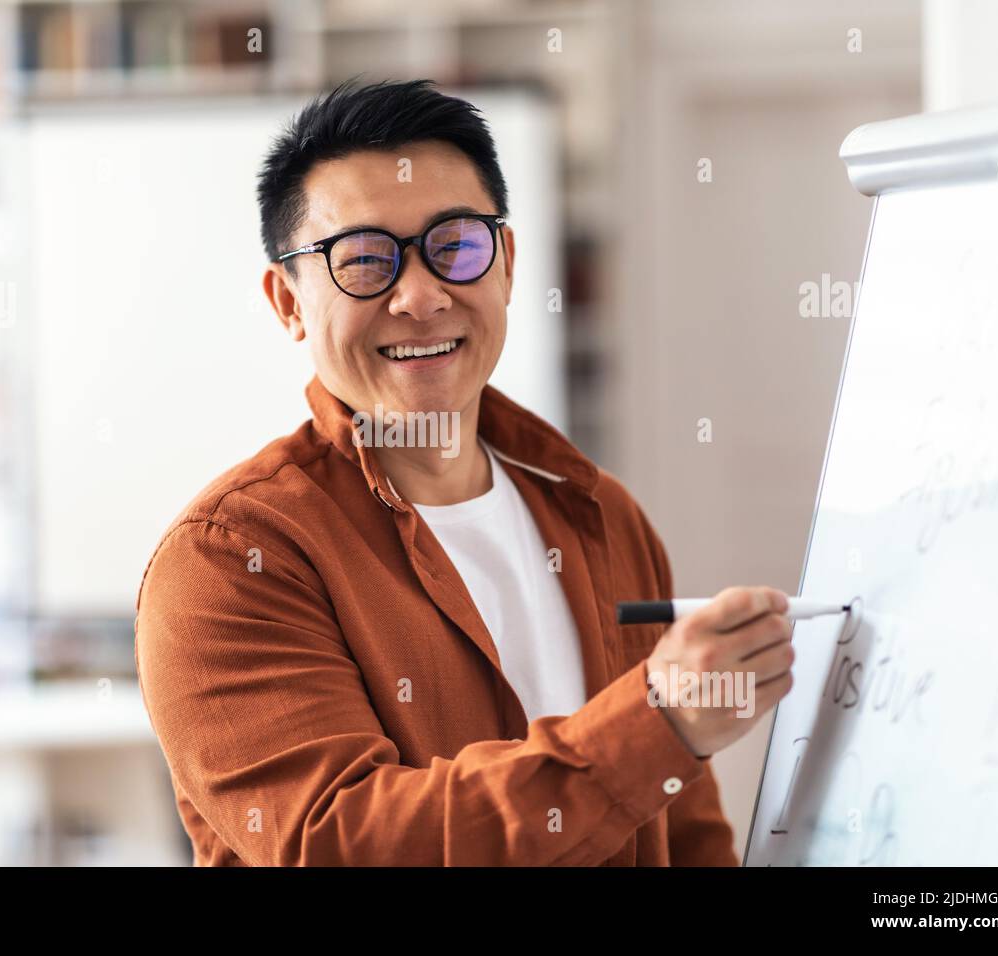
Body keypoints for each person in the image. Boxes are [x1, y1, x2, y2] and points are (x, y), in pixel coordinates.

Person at [134, 78, 795, 866]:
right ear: (288, 303)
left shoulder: (601, 515)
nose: (420, 296)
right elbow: (346, 844)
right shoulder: (229, 560)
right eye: (364, 261)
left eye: (455, 244)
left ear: (506, 264)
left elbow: (684, 839)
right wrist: (654, 725)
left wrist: (672, 734)